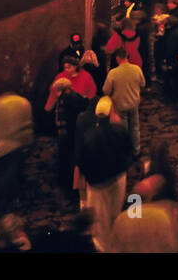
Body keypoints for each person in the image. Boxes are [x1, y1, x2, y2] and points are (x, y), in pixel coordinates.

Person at [76, 97, 131, 250]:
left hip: (98, 185)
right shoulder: (120, 130)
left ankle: (104, 247)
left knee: (100, 220)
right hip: (119, 177)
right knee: (116, 211)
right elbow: (128, 152)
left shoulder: (88, 136)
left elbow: (82, 163)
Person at [45, 55, 97, 197]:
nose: (66, 69)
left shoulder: (85, 77)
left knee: (70, 152)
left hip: (72, 125)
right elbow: (53, 95)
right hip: (73, 124)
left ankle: (68, 180)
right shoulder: (60, 78)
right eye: (65, 67)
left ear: (75, 67)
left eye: (69, 66)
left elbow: (91, 94)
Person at [102, 47, 146, 159]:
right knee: (135, 128)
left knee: (123, 129)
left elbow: (105, 90)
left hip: (120, 105)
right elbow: (143, 84)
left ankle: (125, 153)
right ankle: (136, 151)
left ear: (117, 58)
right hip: (134, 103)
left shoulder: (113, 73)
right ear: (127, 56)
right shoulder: (137, 69)